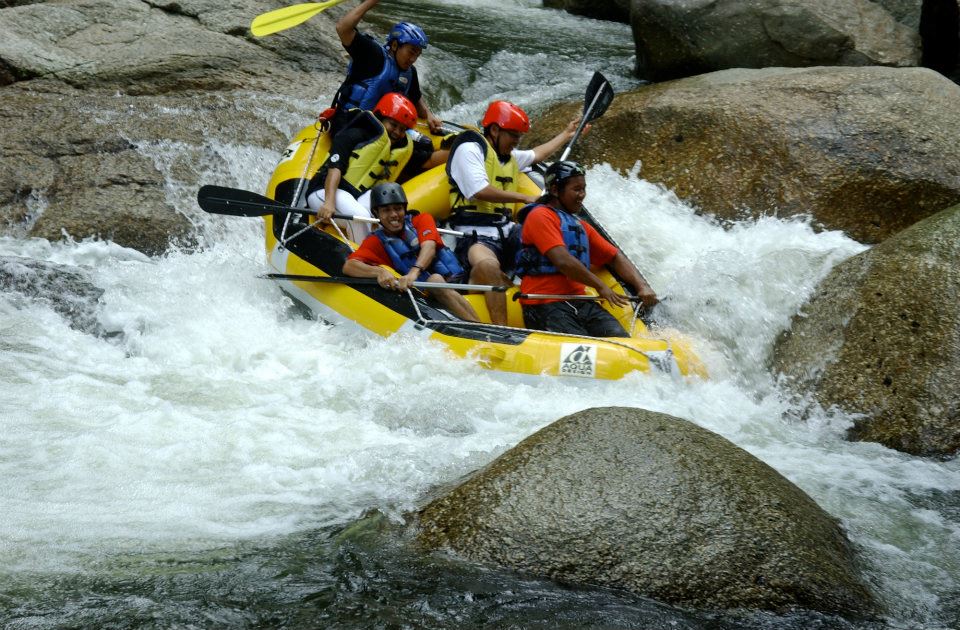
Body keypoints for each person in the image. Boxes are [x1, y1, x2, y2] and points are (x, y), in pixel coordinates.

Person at [445, 100, 586, 325]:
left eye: (518, 137)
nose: (516, 142)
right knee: (489, 267)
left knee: (552, 247)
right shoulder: (469, 149)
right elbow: (478, 190)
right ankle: (502, 329)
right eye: (513, 136)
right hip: (474, 234)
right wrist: (524, 198)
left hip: (507, 230)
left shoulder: (509, 157)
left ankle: (571, 307)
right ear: (494, 130)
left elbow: (536, 154)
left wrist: (566, 134)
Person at [514, 160, 659, 337]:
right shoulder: (540, 216)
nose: (582, 195)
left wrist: (642, 286)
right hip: (544, 305)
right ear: (554, 190)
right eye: (576, 189)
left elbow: (614, 257)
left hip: (580, 303)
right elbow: (563, 261)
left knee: (621, 340)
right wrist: (601, 286)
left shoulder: (579, 225)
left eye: (584, 188)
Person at [306, 92, 445, 242]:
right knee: (361, 217)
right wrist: (329, 202)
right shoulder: (354, 134)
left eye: (403, 129)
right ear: (380, 117)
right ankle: (362, 258)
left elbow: (426, 160)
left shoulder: (398, 148)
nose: (397, 132)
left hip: (356, 196)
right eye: (393, 125)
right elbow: (334, 168)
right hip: (324, 191)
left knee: (387, 214)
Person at [342, 182, 480, 322]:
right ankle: (481, 328)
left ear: (405, 209)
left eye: (398, 209)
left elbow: (429, 247)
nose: (394, 215)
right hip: (426, 293)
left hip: (458, 278)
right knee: (434, 280)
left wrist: (414, 272)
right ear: (377, 213)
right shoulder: (375, 241)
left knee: (487, 267)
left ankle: (501, 328)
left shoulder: (421, 220)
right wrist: (379, 272)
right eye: (386, 210)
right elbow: (349, 266)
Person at [329, 0, 442, 134]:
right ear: (394, 45)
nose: (413, 59)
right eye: (411, 52)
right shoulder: (373, 55)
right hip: (350, 124)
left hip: (383, 130)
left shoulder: (410, 72)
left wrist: (429, 115)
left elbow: (416, 98)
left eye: (417, 55)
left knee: (424, 146)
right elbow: (342, 28)